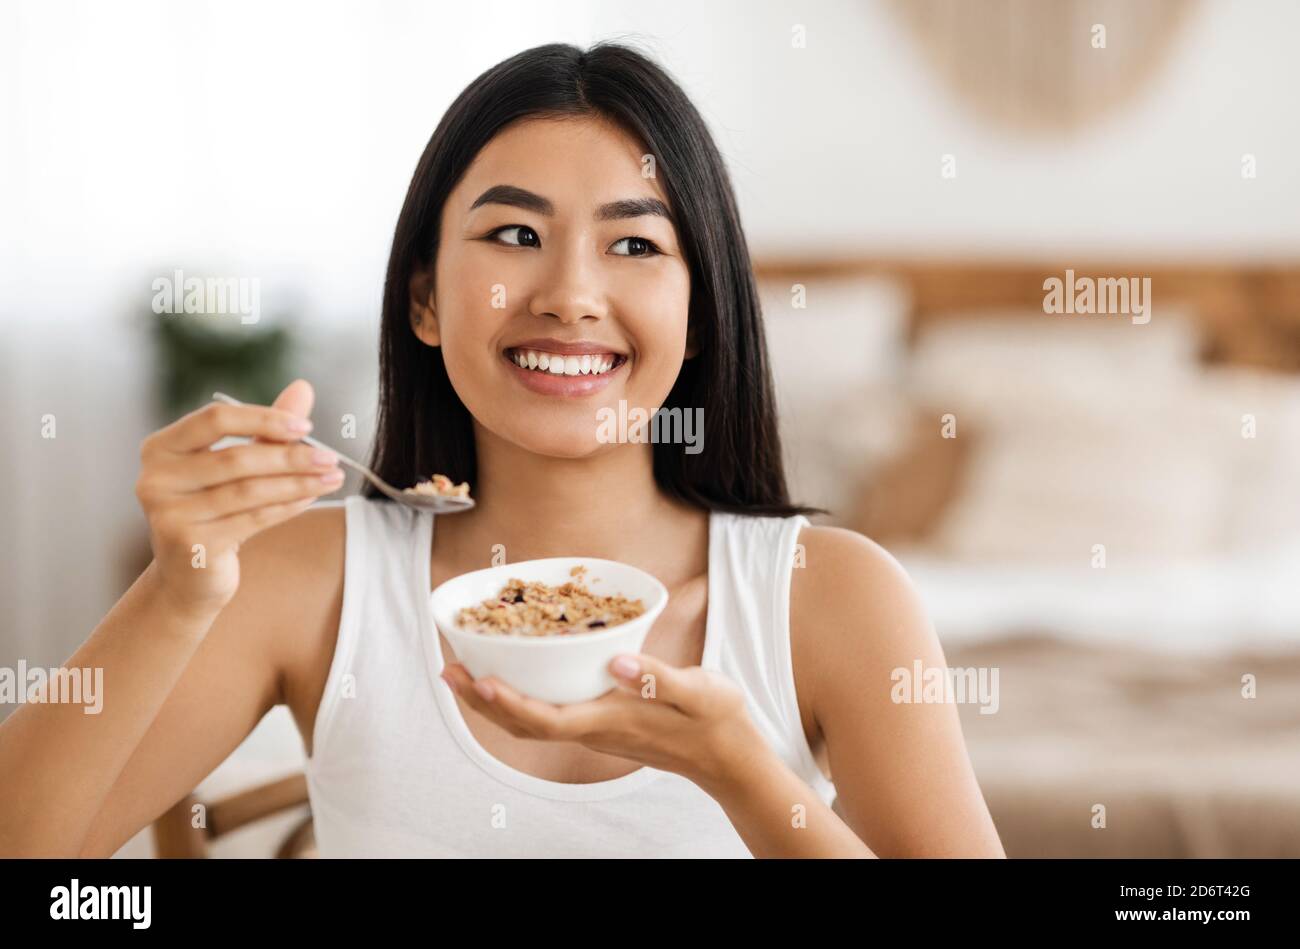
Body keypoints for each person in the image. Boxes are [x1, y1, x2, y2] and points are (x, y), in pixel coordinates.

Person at [0, 41, 1004, 858]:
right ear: (427, 300)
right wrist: (176, 589)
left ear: (698, 319)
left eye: (636, 243)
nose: (569, 293)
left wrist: (745, 774)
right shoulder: (306, 577)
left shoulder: (829, 597)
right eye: (515, 235)